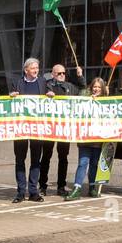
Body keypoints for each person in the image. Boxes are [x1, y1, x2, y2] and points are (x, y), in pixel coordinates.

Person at [8, 57, 49, 202]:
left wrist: (50, 95)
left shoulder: (43, 82)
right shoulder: (17, 82)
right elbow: (9, 103)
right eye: (33, 68)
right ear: (26, 70)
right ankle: (20, 192)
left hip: (37, 127)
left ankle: (33, 191)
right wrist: (11, 96)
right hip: (20, 128)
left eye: (37, 68)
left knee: (35, 160)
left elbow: (51, 96)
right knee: (20, 160)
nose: (36, 70)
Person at [40, 62, 83, 196]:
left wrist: (80, 76)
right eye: (59, 73)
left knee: (63, 157)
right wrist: (46, 94)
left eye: (64, 73)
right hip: (50, 128)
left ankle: (61, 186)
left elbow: (83, 90)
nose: (62, 75)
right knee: (46, 156)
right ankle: (42, 186)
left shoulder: (69, 86)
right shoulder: (46, 85)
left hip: (65, 128)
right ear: (53, 74)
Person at [66, 76, 110, 200]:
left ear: (102, 89)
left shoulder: (107, 101)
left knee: (94, 164)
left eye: (99, 87)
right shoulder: (85, 98)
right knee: (82, 163)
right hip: (85, 138)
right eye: (94, 87)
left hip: (98, 138)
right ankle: (77, 188)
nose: (96, 89)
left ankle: (92, 187)